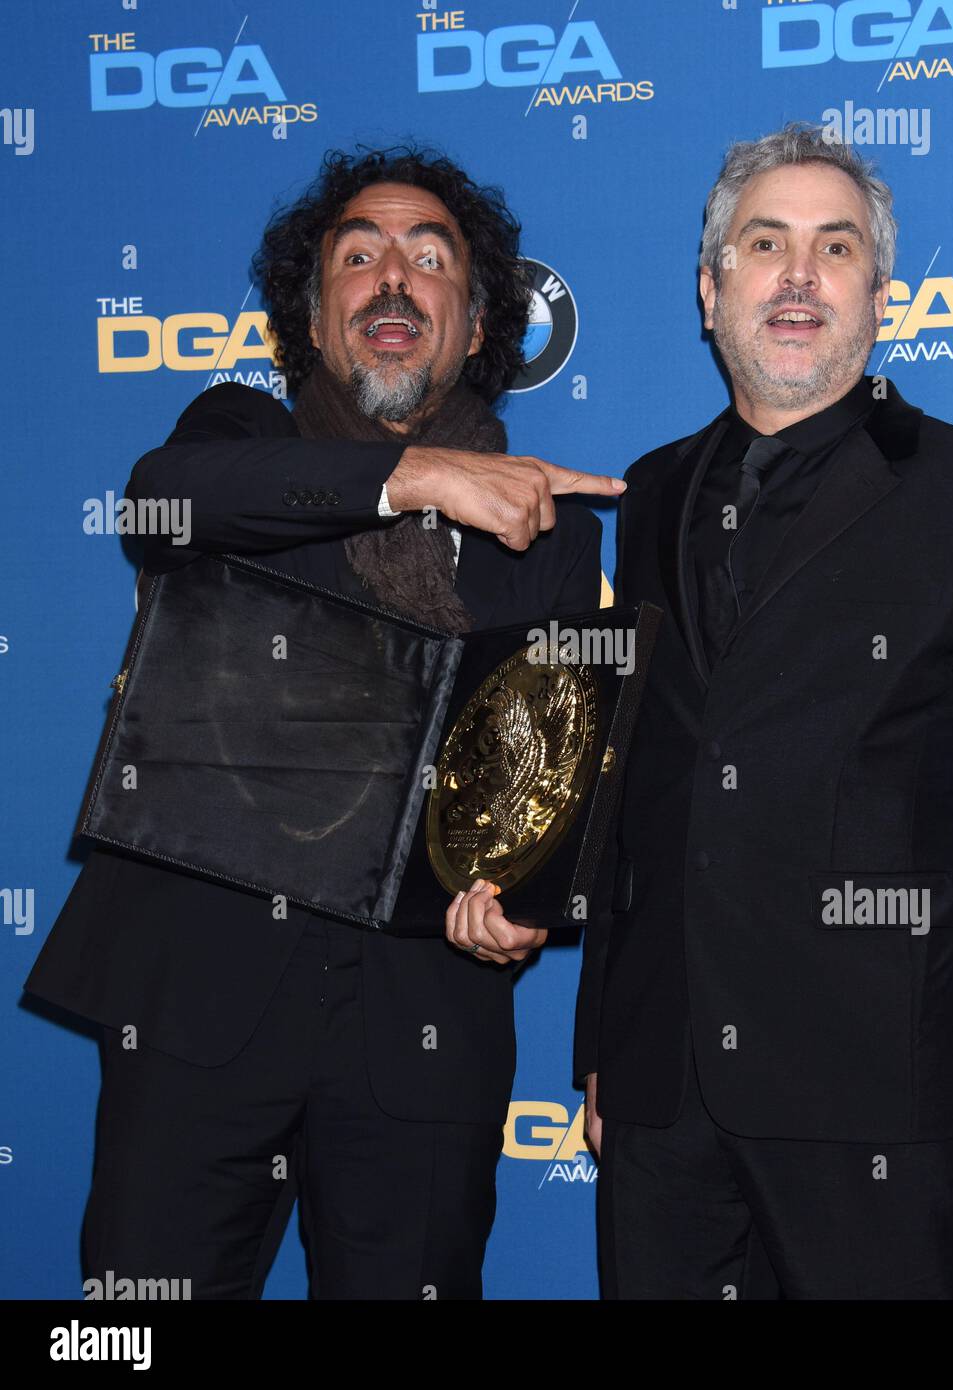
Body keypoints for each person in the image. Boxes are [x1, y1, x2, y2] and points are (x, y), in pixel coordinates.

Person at [25, 145, 622, 1299]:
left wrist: (518, 909)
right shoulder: (235, 437)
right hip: (199, 1010)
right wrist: (414, 477)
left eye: (428, 259)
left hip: (423, 1028)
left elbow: (532, 784)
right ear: (315, 318)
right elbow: (162, 504)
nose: (391, 279)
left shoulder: (552, 532)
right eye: (359, 257)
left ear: (478, 322)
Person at [575, 123, 953, 1300]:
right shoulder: (651, 492)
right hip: (664, 1092)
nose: (799, 274)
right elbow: (635, 784)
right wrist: (605, 1044)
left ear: (879, 299)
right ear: (711, 293)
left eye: (836, 247)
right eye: (766, 244)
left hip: (878, 1090)